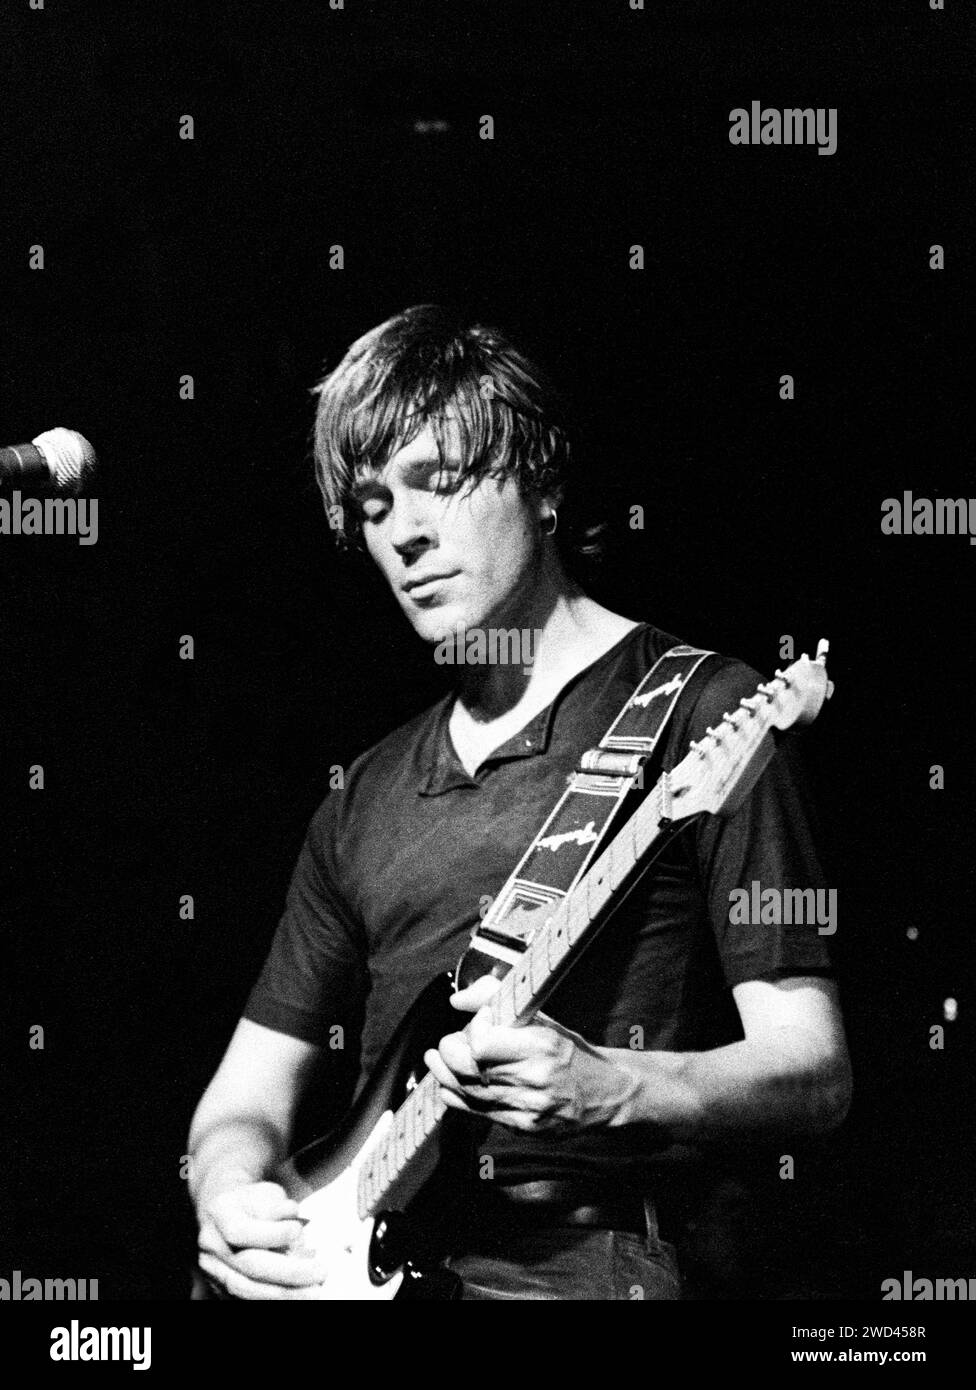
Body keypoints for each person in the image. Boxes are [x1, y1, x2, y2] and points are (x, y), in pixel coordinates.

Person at [187, 304, 851, 1300]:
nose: (405, 533)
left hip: (583, 1260)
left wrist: (619, 1087)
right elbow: (241, 1101)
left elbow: (814, 1072)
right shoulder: (364, 791)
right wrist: (228, 1193)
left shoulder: (704, 712)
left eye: (439, 482)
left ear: (542, 484)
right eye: (372, 505)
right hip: (369, 1264)